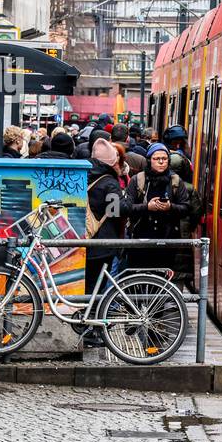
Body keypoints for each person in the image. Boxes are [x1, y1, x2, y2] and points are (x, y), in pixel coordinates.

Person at [124, 143, 193, 271]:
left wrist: (170, 207)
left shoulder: (176, 181)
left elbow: (186, 208)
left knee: (161, 281)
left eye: (164, 159)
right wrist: (147, 207)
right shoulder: (137, 180)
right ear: (149, 160)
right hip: (140, 241)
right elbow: (126, 208)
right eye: (156, 159)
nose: (161, 162)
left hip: (167, 242)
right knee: (139, 279)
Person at [85, 137, 125, 320]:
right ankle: (93, 326)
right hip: (104, 243)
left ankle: (87, 321)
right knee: (98, 289)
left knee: (87, 288)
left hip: (84, 241)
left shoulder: (85, 174)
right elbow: (115, 211)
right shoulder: (109, 182)